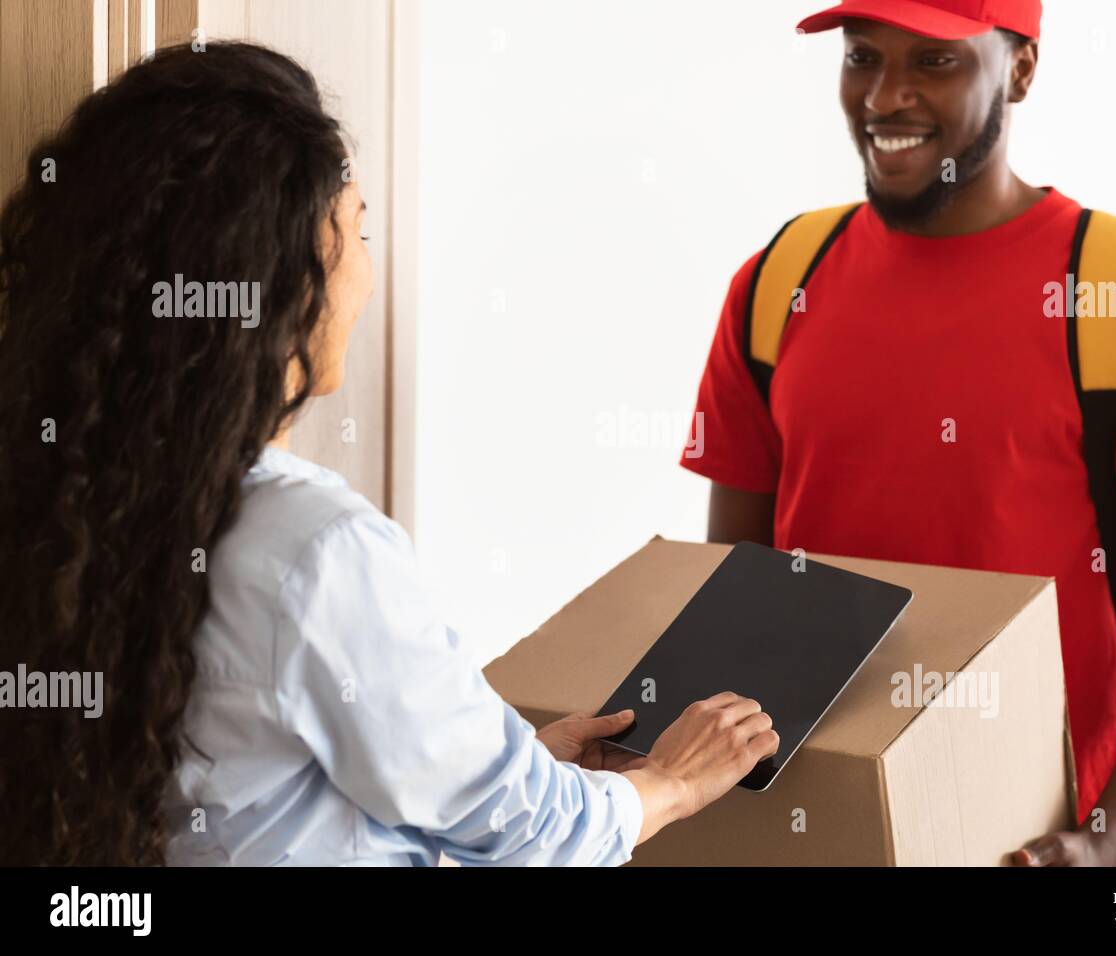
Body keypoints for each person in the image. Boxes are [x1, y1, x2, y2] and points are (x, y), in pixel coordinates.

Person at [0, 41, 777, 866]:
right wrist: (670, 783)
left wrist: (506, 766)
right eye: (357, 229)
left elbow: (273, 792)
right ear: (290, 274)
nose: (368, 273)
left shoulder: (62, 498)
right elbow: (535, 832)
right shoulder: (314, 547)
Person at [681, 0, 1116, 866]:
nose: (885, 96)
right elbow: (739, 590)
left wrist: (1101, 840)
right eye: (863, 57)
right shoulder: (777, 285)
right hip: (820, 830)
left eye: (935, 62)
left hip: (1045, 841)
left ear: (1020, 70)